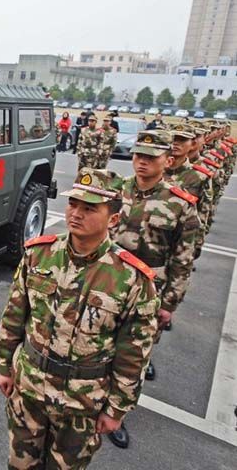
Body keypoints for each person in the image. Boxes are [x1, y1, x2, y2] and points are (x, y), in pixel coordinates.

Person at [0, 168, 158, 469]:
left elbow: (133, 354)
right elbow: (15, 314)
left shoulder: (131, 279)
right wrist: (5, 366)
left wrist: (116, 408)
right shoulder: (38, 255)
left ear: (113, 219)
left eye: (89, 208)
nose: (76, 213)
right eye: (73, 204)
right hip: (30, 387)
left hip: (83, 404)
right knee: (19, 465)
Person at [111, 130, 199, 448]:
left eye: (151, 156)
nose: (142, 161)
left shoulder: (179, 204)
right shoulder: (115, 191)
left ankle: (117, 416)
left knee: (134, 357)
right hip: (108, 286)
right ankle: (94, 405)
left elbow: (183, 259)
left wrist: (169, 304)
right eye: (138, 155)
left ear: (168, 159)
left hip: (150, 291)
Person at [165, 124, 214, 258]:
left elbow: (203, 213)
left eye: (182, 140)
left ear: (192, 144)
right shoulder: (156, 170)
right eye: (173, 139)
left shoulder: (199, 177)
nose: (175, 144)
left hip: (181, 242)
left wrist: (197, 245)